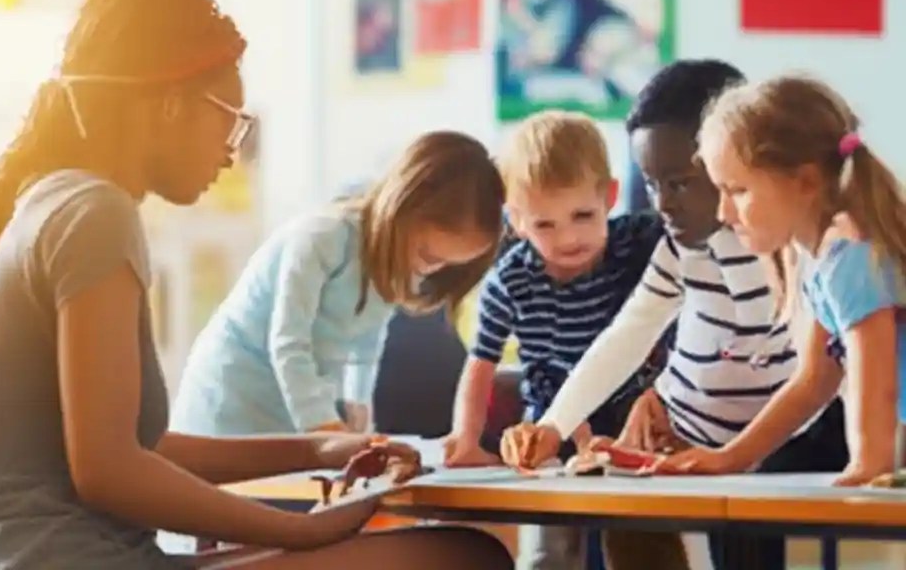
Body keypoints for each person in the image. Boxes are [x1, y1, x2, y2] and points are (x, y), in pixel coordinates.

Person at [0, 0, 513, 570]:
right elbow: (109, 473)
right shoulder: (96, 213)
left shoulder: (61, 201)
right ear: (169, 105)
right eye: (229, 119)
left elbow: (138, 449)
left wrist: (313, 451)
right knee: (460, 558)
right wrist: (304, 533)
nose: (231, 152)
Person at [499, 61, 847, 570]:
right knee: (634, 528)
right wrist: (554, 425)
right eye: (653, 184)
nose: (664, 203)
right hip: (689, 444)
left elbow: (808, 366)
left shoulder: (787, 243)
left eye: (681, 183)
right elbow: (628, 334)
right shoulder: (678, 249)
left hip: (776, 451)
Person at [440, 110, 665, 569]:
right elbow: (480, 364)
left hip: (632, 412)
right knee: (549, 546)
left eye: (583, 215)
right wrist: (465, 437)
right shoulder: (511, 278)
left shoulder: (639, 246)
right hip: (549, 420)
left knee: (643, 537)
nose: (568, 238)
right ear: (517, 221)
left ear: (611, 196)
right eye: (545, 225)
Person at [171, 130, 506, 437]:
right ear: (403, 208)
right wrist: (323, 426)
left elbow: (366, 343)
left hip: (298, 405)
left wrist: (359, 408)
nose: (427, 269)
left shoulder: (393, 264)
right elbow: (289, 342)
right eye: (426, 253)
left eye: (444, 265)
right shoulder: (322, 237)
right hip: (233, 399)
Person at [658, 74, 905, 486]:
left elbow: (874, 379)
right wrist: (730, 457)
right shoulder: (820, 259)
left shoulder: (854, 255)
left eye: (737, 190)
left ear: (806, 181)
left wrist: (868, 464)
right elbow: (813, 380)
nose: (723, 213)